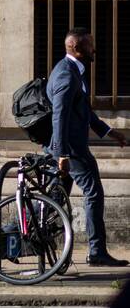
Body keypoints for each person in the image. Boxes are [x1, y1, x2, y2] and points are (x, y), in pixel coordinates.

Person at [47, 29, 127, 267]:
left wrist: (109, 132)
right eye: (90, 46)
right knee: (94, 193)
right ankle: (97, 252)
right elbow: (59, 116)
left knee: (55, 198)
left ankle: (39, 241)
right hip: (72, 150)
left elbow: (84, 111)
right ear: (77, 49)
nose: (95, 50)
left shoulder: (73, 71)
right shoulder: (67, 75)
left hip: (68, 148)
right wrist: (62, 153)